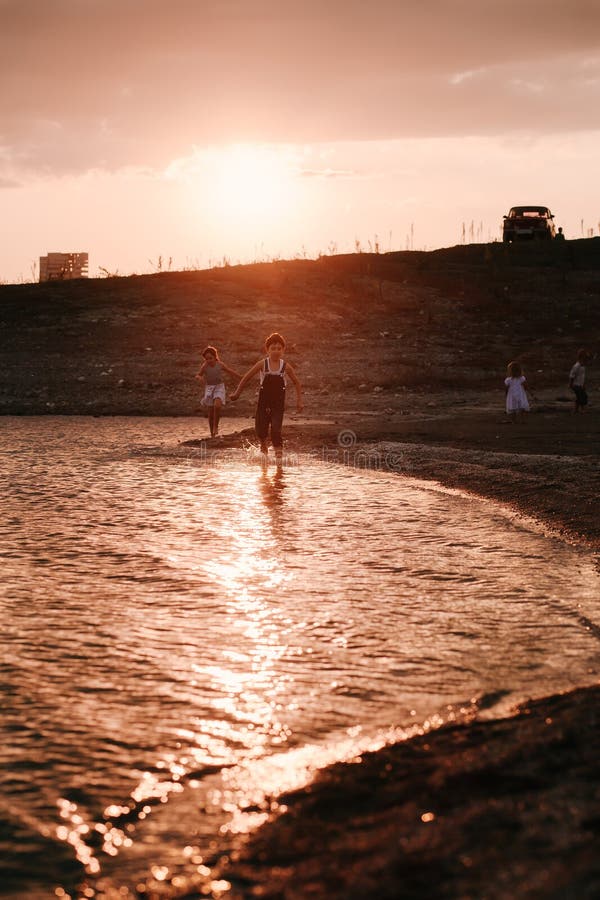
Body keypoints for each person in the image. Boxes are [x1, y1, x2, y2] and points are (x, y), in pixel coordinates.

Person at [230, 332, 303, 463]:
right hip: (263, 402)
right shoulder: (262, 364)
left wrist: (299, 401)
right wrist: (236, 393)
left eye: (279, 348)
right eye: (273, 348)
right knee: (261, 429)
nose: (276, 351)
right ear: (267, 349)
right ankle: (263, 449)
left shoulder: (285, 366)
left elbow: (297, 383)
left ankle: (279, 461)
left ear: (283, 350)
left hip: (278, 404)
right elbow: (246, 378)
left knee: (276, 429)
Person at [195, 346, 240, 438]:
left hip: (219, 387)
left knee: (217, 406)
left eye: (210, 358)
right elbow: (198, 375)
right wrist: (199, 378)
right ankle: (212, 434)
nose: (209, 360)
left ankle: (216, 426)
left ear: (215, 357)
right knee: (210, 412)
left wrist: (240, 377)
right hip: (209, 388)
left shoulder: (220, 364)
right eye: (206, 359)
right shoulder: (205, 366)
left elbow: (229, 371)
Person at [569, 348, 588, 413]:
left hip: (580, 384)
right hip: (576, 384)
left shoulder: (582, 366)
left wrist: (584, 384)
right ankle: (582, 409)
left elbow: (582, 377)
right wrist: (571, 384)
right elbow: (572, 375)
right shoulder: (577, 366)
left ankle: (575, 409)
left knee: (579, 397)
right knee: (582, 397)